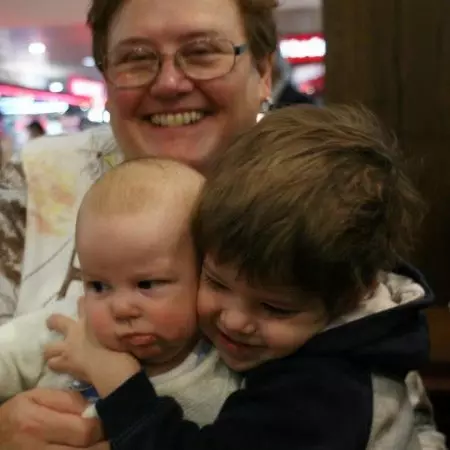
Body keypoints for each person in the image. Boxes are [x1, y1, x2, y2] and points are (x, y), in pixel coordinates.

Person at [0, 0, 443, 447]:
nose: (170, 82)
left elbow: (402, 425)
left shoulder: (314, 201)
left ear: (264, 71)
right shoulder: (34, 182)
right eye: (136, 58)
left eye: (203, 52)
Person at [47, 105, 445, 450]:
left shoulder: (326, 393)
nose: (233, 320)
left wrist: (121, 387)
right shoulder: (320, 328)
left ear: (350, 296)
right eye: (216, 282)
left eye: (274, 307)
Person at [0, 157, 239, 425]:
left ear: (206, 278)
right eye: (99, 286)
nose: (122, 308)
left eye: (147, 284)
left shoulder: (226, 375)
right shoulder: (71, 325)